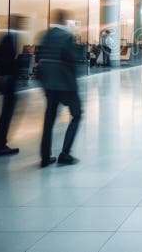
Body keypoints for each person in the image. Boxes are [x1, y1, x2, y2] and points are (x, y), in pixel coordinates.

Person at [38, 9, 82, 167]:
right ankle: (65, 154)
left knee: (49, 120)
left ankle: (45, 156)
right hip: (66, 85)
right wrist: (74, 86)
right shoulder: (68, 37)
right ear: (65, 20)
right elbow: (72, 63)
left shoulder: (45, 36)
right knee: (76, 115)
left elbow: (39, 60)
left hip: (49, 85)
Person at [0, 15, 24, 157]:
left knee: (6, 114)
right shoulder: (8, 38)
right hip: (8, 82)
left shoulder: (8, 37)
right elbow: (5, 61)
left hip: (9, 81)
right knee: (5, 115)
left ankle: (0, 144)